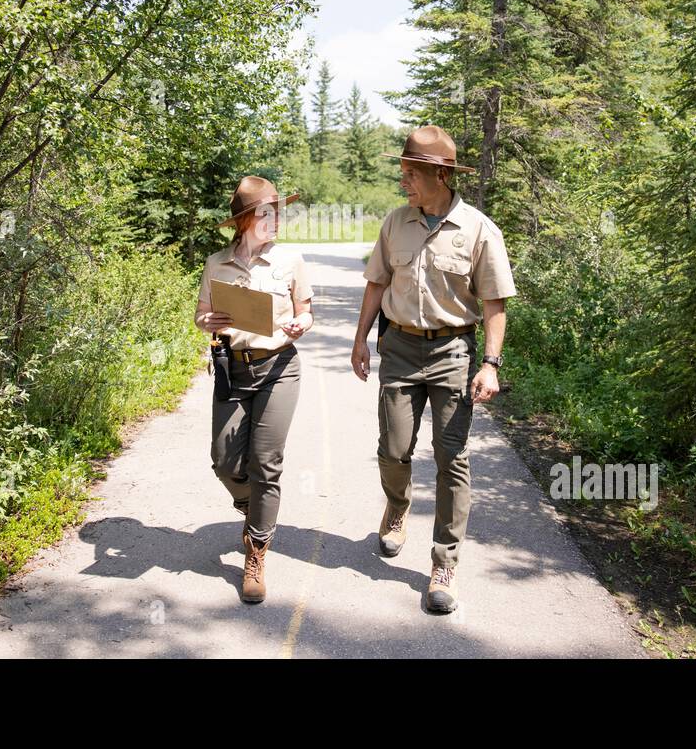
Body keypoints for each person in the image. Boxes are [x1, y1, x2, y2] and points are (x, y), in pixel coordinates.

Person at [350, 125, 516, 614]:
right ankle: (397, 508)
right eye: (403, 172)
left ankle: (444, 563)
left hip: (453, 354)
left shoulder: (480, 230)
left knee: (452, 458)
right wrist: (360, 339)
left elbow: (494, 302)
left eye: (412, 173)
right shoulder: (395, 223)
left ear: (440, 174)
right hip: (398, 348)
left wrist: (490, 363)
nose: (404, 182)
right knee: (394, 449)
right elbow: (376, 285)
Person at [195, 175, 314, 603]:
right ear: (246, 220)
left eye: (278, 211)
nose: (276, 219)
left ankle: (257, 551)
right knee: (224, 461)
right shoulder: (216, 264)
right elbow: (202, 316)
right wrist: (207, 322)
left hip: (280, 368)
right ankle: (252, 505)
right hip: (234, 369)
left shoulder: (290, 261)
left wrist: (303, 324)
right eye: (268, 212)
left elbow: (306, 311)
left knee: (267, 462)